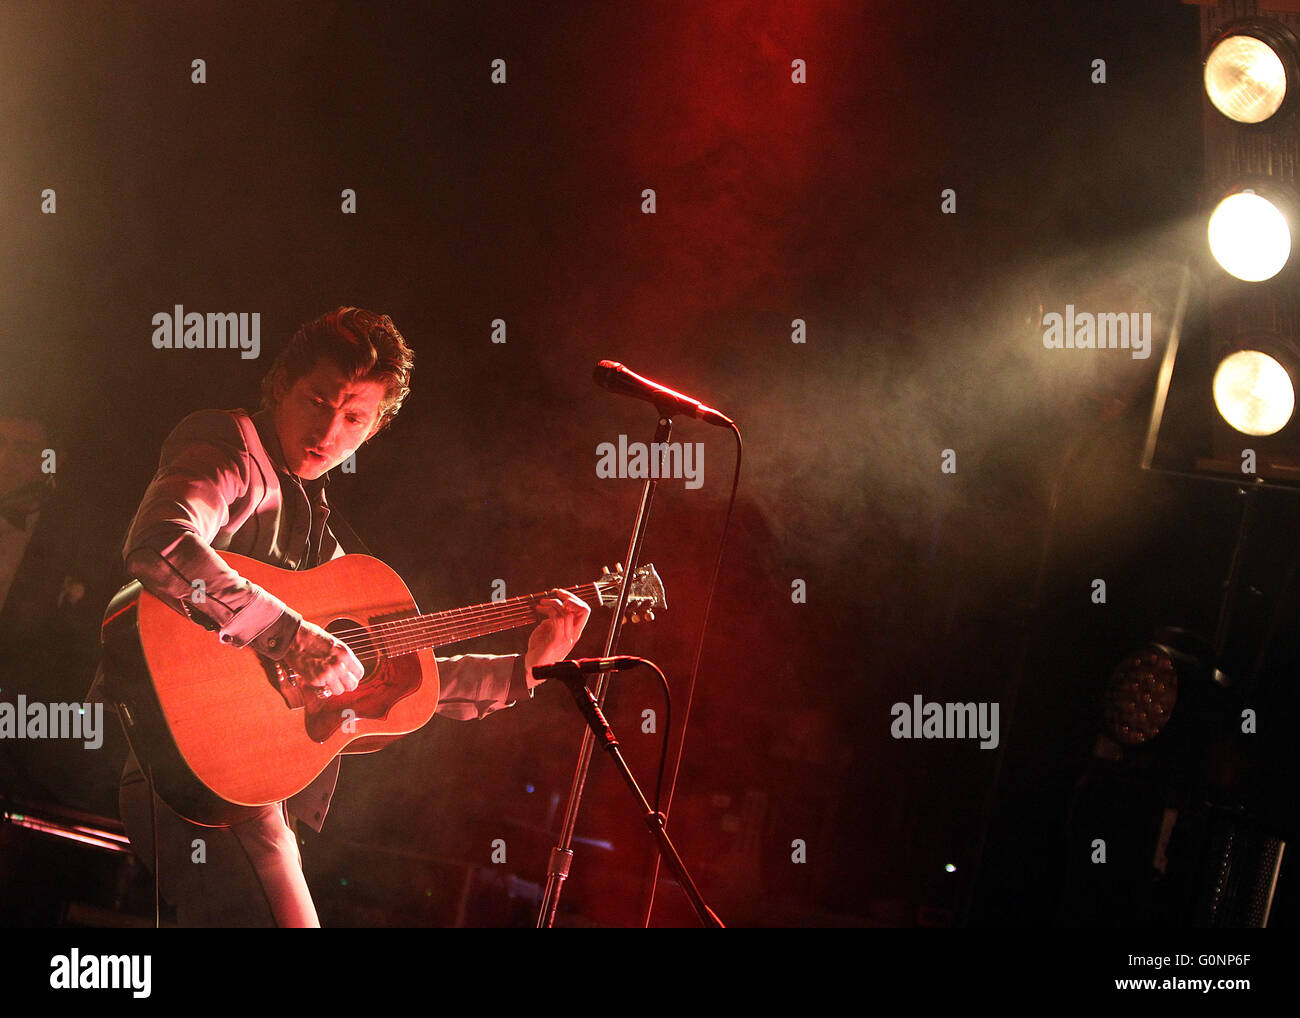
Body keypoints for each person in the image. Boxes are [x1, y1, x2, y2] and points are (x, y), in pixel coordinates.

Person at [105, 306, 589, 926]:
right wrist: (290, 636)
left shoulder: (318, 537)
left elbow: (391, 680)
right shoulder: (226, 451)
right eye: (317, 401)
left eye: (354, 417)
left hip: (254, 782)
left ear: (375, 428)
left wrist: (524, 669)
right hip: (183, 770)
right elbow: (161, 543)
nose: (329, 431)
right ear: (280, 386)